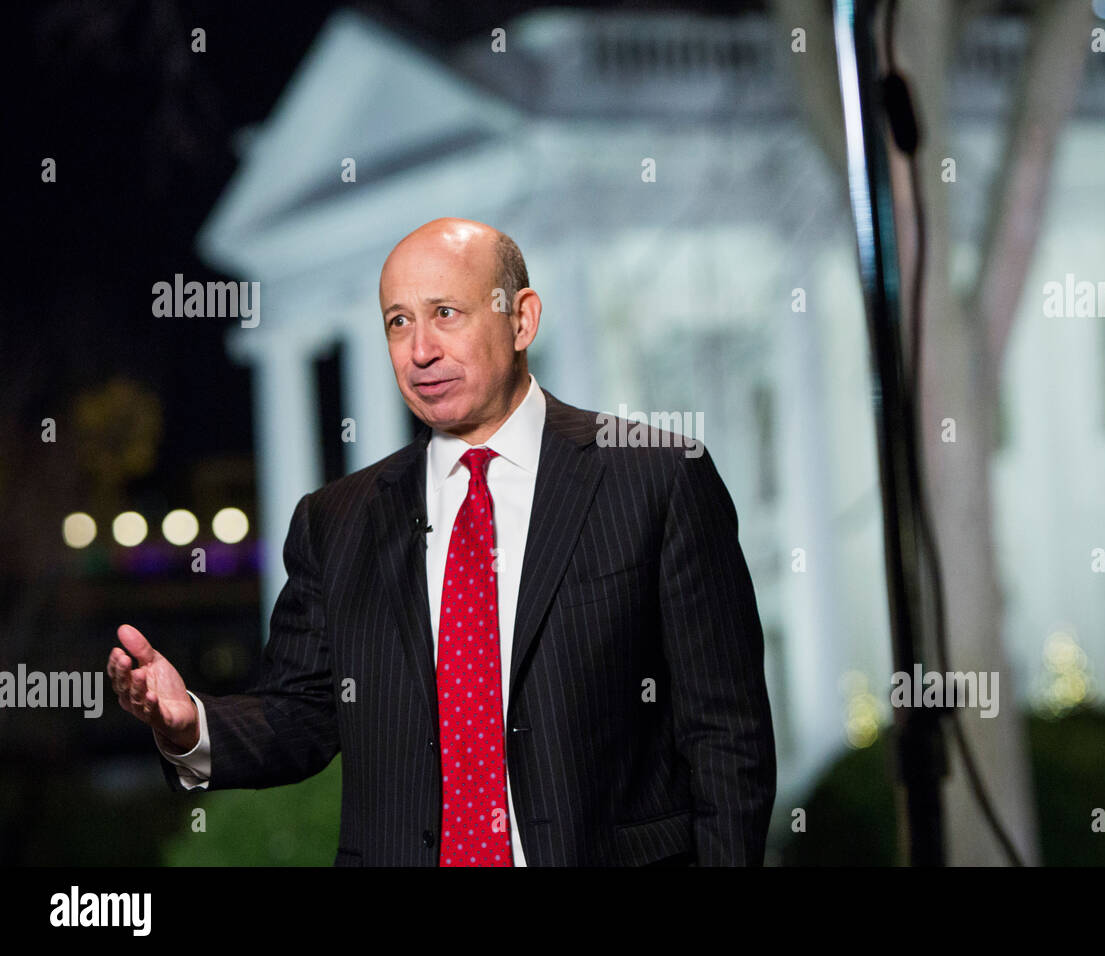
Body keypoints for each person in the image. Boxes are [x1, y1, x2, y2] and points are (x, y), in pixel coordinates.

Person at [107, 218, 777, 866]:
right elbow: (301, 714)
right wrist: (188, 724)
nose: (420, 349)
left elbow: (726, 737)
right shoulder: (336, 521)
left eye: (446, 313)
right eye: (399, 321)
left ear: (522, 319)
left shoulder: (655, 480)